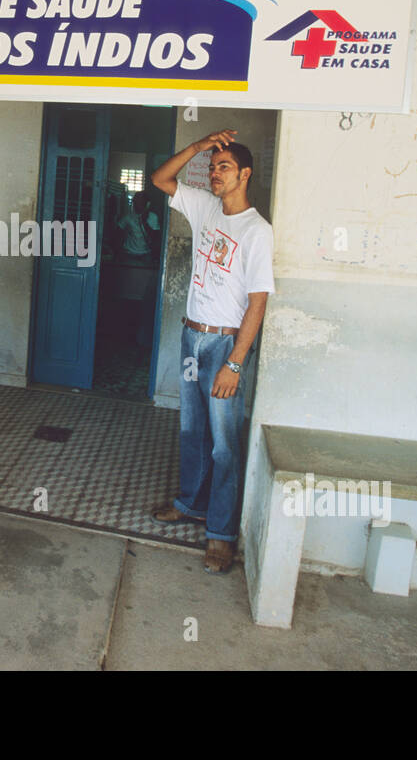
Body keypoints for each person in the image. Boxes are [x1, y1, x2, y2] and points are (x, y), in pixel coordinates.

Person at [149, 130, 273, 574]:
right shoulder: (204, 206)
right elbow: (160, 178)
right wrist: (199, 146)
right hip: (191, 337)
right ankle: (190, 503)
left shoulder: (257, 231)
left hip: (225, 342)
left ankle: (221, 534)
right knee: (191, 430)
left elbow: (258, 301)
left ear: (244, 174)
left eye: (223, 166)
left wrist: (235, 363)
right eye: (212, 165)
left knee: (223, 445)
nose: (213, 172)